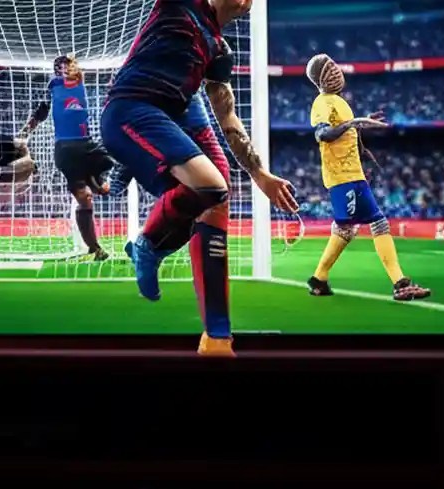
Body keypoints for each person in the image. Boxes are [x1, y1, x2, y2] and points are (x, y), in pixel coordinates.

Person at [100, 0, 300, 357]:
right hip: (133, 107)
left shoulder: (219, 51)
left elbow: (228, 117)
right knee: (210, 185)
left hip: (178, 108)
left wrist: (260, 174)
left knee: (218, 193)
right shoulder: (178, 5)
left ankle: (217, 337)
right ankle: (150, 244)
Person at [304, 53, 431, 301]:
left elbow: (346, 133)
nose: (336, 71)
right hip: (342, 177)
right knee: (364, 225)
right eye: (329, 69)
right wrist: (353, 123)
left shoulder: (339, 102)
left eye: (334, 66)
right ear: (320, 78)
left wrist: (360, 129)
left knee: (353, 228)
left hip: (353, 175)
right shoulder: (322, 103)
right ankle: (400, 284)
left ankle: (319, 279)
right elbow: (323, 135)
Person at [45, 54, 117, 260]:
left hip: (86, 143)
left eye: (68, 66)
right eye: (60, 68)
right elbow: (45, 104)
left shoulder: (79, 83)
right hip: (65, 148)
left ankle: (96, 180)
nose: (65, 70)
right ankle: (94, 248)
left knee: (111, 158)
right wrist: (27, 129)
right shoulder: (54, 85)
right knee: (84, 199)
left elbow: (76, 74)